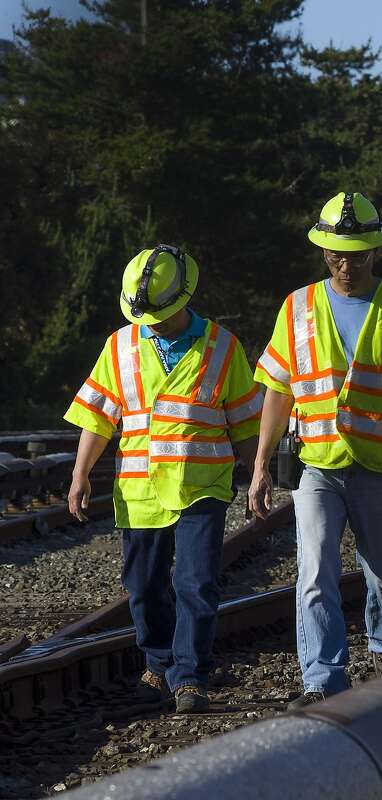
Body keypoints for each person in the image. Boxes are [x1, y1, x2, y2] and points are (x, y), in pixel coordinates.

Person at [248, 192, 382, 710]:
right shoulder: (296, 307)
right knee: (314, 573)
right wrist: (259, 465)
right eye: (336, 255)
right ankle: (322, 679)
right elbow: (278, 389)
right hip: (318, 463)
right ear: (324, 253)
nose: (346, 265)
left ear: (376, 253)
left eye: (358, 255)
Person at [64, 245, 262, 714]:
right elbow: (99, 417)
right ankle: (158, 664)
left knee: (196, 583)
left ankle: (190, 677)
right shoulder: (120, 345)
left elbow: (246, 423)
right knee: (144, 584)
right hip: (139, 491)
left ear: (184, 298)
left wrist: (258, 474)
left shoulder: (222, 346)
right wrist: (79, 473)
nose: (151, 322)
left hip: (202, 488)